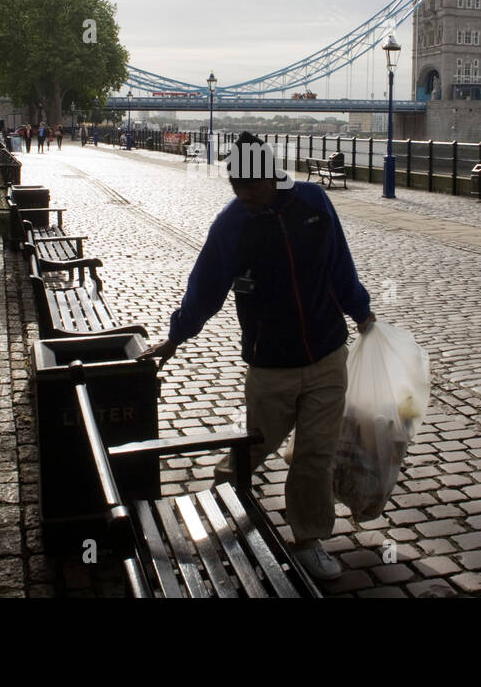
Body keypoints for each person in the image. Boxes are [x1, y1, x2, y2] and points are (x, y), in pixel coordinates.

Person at [139, 132, 373, 582]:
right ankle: (220, 498)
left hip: (327, 351)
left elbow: (339, 265)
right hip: (271, 362)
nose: (244, 196)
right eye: (236, 188)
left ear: (272, 177)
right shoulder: (232, 224)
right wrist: (175, 337)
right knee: (256, 446)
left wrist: (361, 313)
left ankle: (308, 539)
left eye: (251, 187)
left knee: (316, 454)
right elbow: (205, 288)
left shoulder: (314, 204)